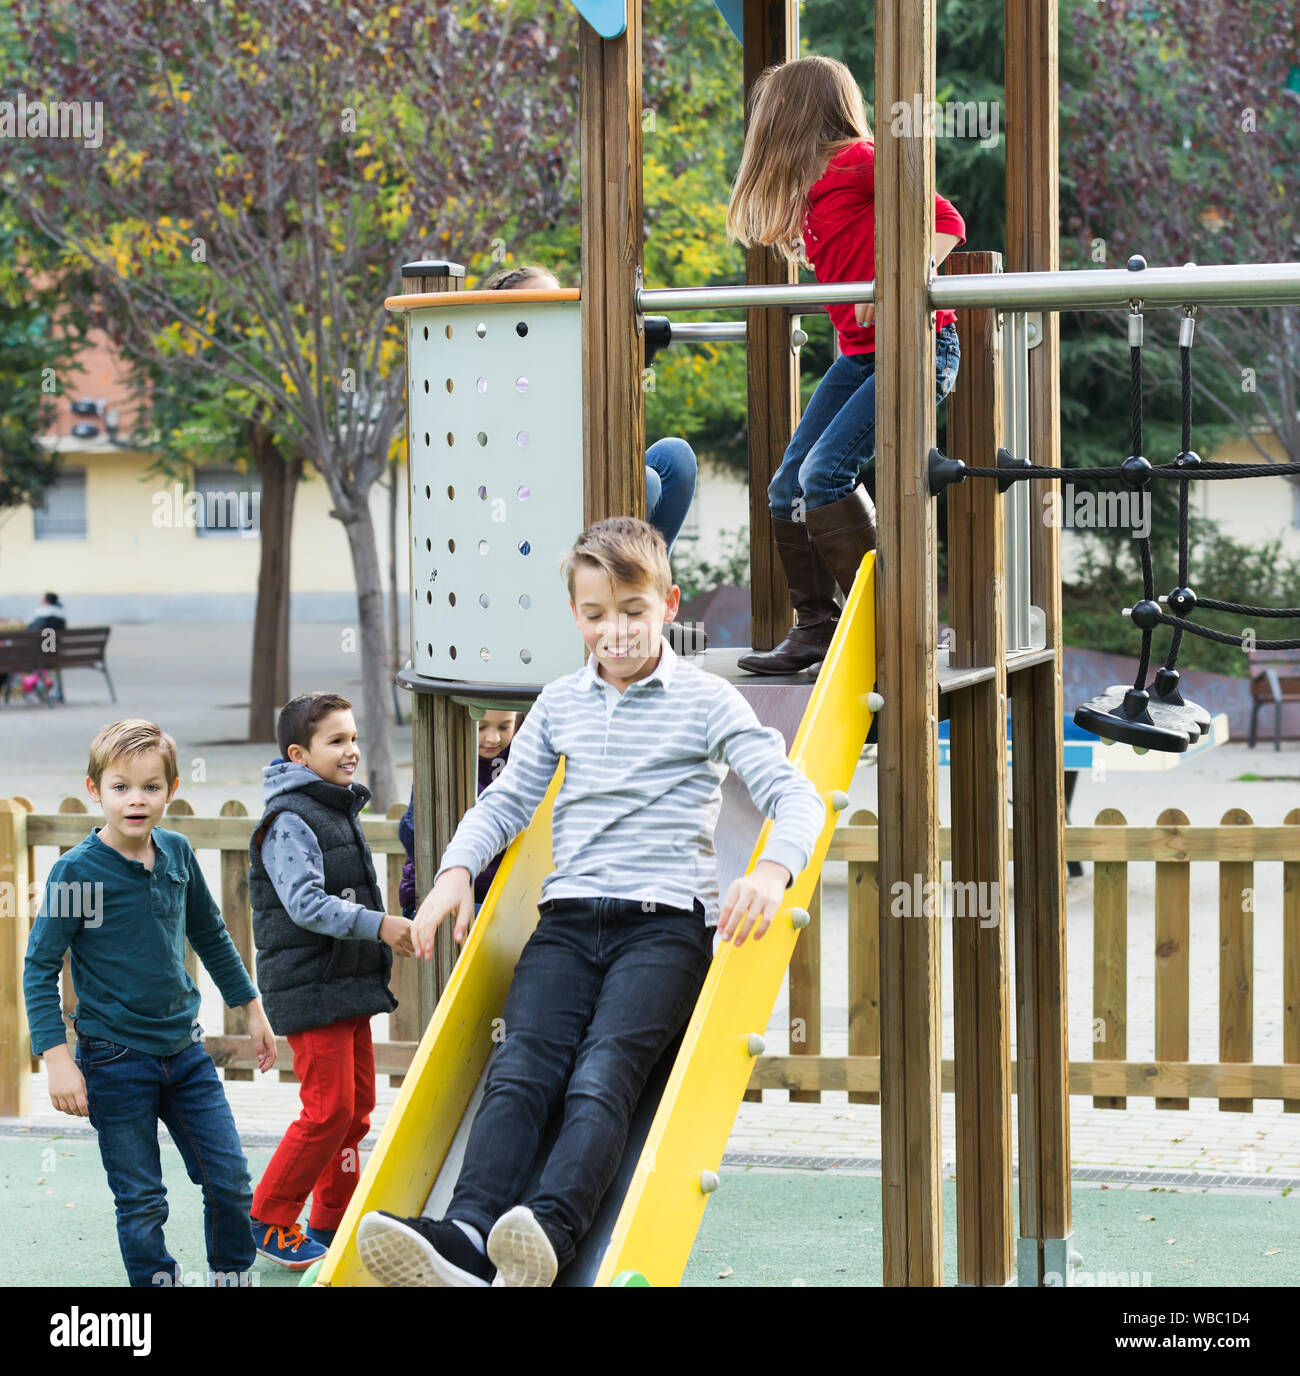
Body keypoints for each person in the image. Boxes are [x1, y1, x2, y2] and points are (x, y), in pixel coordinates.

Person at [355, 516, 824, 1287]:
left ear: (668, 605)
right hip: (568, 921)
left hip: (664, 928)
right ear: (576, 614)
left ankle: (546, 1232)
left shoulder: (707, 702)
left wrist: (771, 871)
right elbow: (504, 804)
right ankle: (468, 1237)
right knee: (522, 1068)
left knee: (603, 1071)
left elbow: (795, 797)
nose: (616, 632)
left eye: (633, 611)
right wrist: (454, 874)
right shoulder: (561, 704)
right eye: (596, 614)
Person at [727, 56, 966, 674]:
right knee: (788, 485)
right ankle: (815, 627)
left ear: (795, 112)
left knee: (825, 473)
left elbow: (945, 221)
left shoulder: (859, 158)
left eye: (771, 110)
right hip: (861, 357)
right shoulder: (809, 189)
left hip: (918, 348)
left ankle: (894, 625)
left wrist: (893, 282)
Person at [23, 719, 275, 1288]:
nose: (136, 800)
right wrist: (58, 1059)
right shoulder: (76, 873)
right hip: (114, 1060)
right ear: (95, 790)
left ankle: (230, 1275)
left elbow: (210, 935)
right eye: (121, 787)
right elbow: (39, 968)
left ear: (172, 787)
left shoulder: (178, 853)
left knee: (230, 1180)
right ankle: (156, 1281)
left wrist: (252, 1009)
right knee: (140, 1198)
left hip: (184, 1053)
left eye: (151, 787)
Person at [247, 692, 414, 1269]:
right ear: (299, 754)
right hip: (310, 985)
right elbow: (306, 905)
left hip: (344, 985)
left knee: (357, 1108)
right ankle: (269, 1216)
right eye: (336, 741)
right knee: (326, 1111)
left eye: (353, 738)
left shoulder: (334, 807)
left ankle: (331, 1217)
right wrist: (381, 925)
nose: (352, 751)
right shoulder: (290, 819)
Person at [482, 264, 706, 655]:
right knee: (646, 482)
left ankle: (645, 607)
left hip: (576, 491)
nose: (556, 315)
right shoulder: (501, 372)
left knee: (675, 455)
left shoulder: (567, 359)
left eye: (561, 302)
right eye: (539, 306)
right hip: (531, 520)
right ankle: (623, 615)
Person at [397, 709, 519, 919]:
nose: (493, 738)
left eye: (504, 726)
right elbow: (414, 833)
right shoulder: (444, 759)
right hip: (434, 893)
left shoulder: (523, 757)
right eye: (481, 727)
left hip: (500, 894)